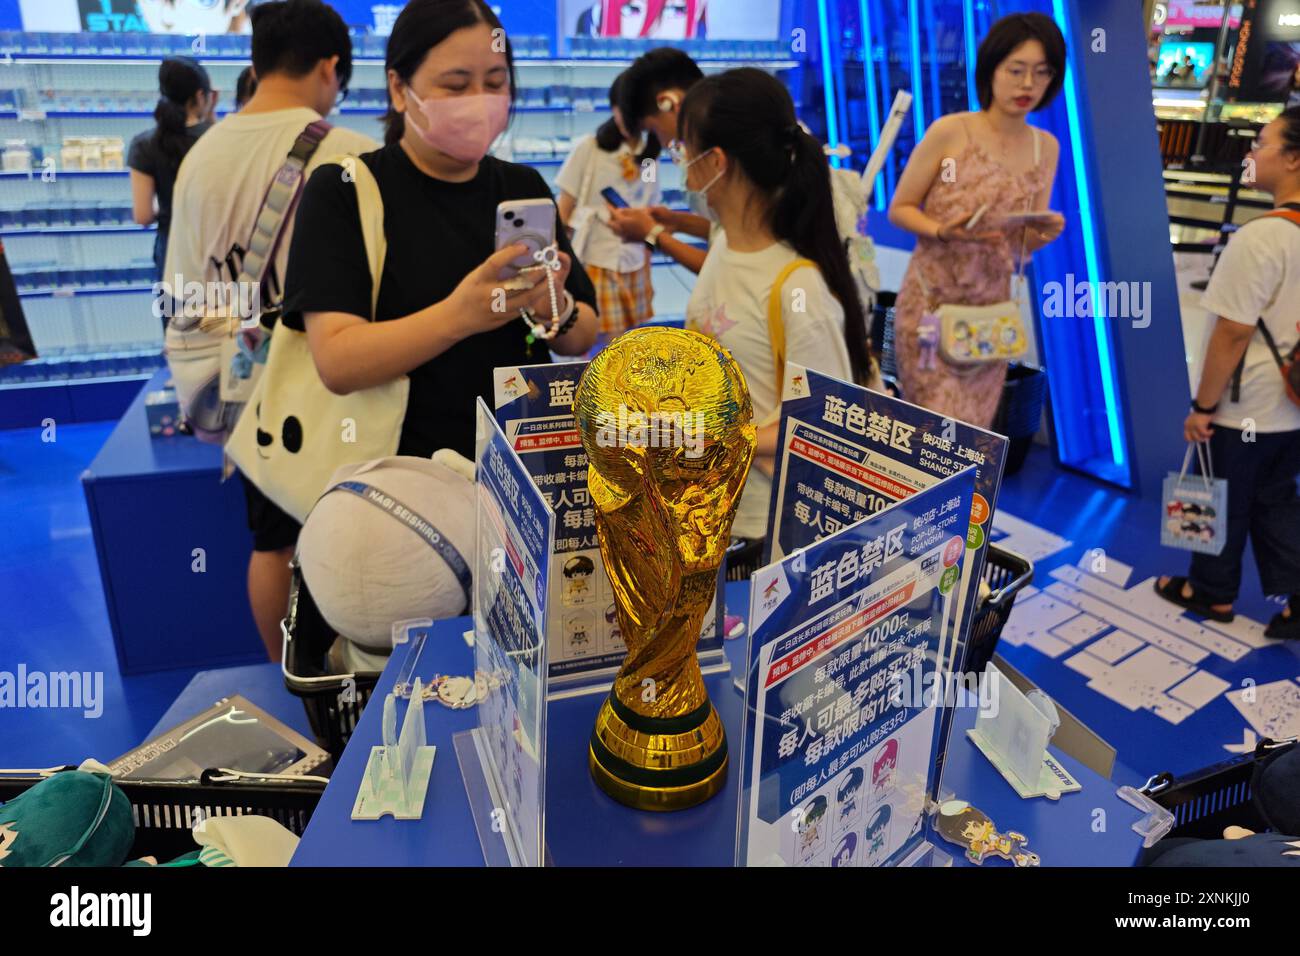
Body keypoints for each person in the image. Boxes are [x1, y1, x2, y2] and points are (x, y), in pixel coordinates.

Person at [276, 0, 598, 596]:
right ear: (400, 88)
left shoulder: (522, 188)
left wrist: (552, 303)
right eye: (456, 84)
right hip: (399, 498)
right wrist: (460, 315)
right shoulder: (346, 190)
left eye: (495, 83)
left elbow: (582, 332)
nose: (480, 99)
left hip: (521, 481)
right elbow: (338, 361)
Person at [164, 0, 379, 660]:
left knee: (272, 542)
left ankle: (293, 681)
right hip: (335, 384)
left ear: (254, 63)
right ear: (331, 67)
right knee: (355, 537)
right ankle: (356, 688)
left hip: (248, 390)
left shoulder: (201, 156)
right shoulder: (353, 153)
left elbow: (186, 294)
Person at [677, 68, 874, 545]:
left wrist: (722, 440)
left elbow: (826, 418)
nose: (679, 163)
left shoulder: (796, 286)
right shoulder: (724, 245)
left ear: (715, 162)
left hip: (769, 530)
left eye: (683, 149)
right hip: (711, 511)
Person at [1156, 107, 1300, 641]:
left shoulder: (1261, 238)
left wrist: (1203, 407)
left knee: (1218, 494)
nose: (1251, 154)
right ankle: (1297, 602)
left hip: (1249, 404)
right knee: (1277, 499)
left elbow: (1232, 334)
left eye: (1263, 144)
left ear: (1292, 158)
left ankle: (1210, 592)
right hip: (1294, 405)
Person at [887, 12, 1066, 428]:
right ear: (991, 69)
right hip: (931, 308)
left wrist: (1040, 234)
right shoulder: (952, 130)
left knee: (971, 439)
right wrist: (942, 231)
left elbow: (1016, 249)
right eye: (1016, 70)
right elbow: (901, 207)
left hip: (989, 321)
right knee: (933, 433)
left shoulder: (1046, 148)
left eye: (1041, 73)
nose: (1027, 85)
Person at [554, 72, 661, 335]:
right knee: (589, 343)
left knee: (627, 345)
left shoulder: (648, 159)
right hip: (593, 260)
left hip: (634, 262)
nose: (632, 121)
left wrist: (648, 248)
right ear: (614, 108)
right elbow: (563, 208)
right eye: (625, 111)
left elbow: (650, 205)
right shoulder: (588, 149)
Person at [606, 46, 711, 273]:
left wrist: (653, 234)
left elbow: (730, 268)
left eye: (653, 130)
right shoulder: (715, 146)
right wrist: (677, 222)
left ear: (669, 102)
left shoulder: (730, 154)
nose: (663, 144)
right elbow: (728, 232)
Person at [128, 56, 216, 284]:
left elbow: (143, 215)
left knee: (177, 319)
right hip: (218, 249)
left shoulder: (144, 144)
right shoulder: (219, 138)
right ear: (200, 96)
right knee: (225, 319)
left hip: (173, 253)